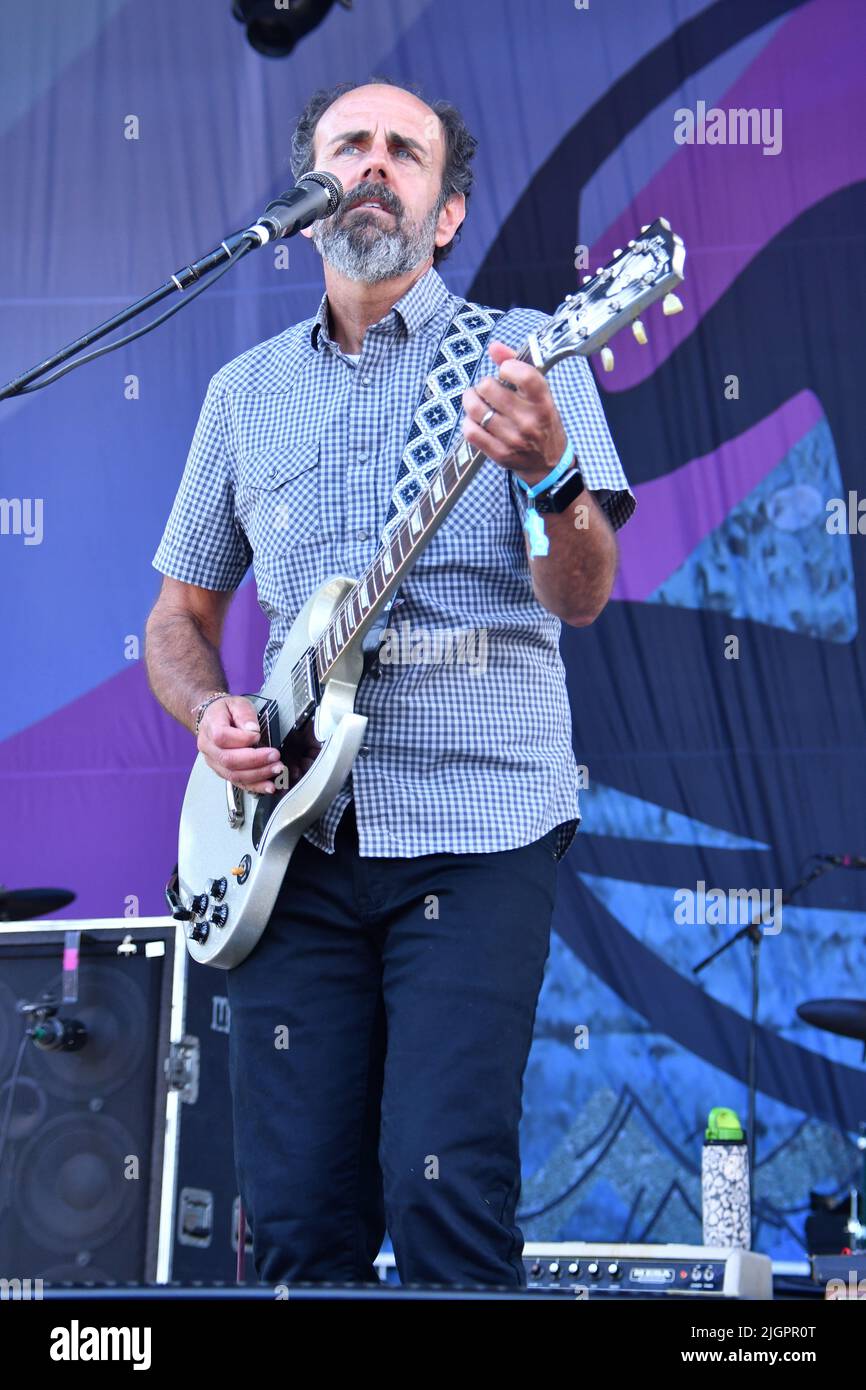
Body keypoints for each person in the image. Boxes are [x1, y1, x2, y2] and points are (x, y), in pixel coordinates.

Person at [144, 75, 635, 1288]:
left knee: (446, 1193)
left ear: (448, 209)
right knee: (298, 1223)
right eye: (345, 147)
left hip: (474, 830)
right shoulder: (241, 396)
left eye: (401, 151)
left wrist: (553, 471)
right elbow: (177, 621)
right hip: (286, 858)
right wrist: (213, 711)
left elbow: (579, 593)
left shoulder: (525, 364)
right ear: (310, 200)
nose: (371, 165)